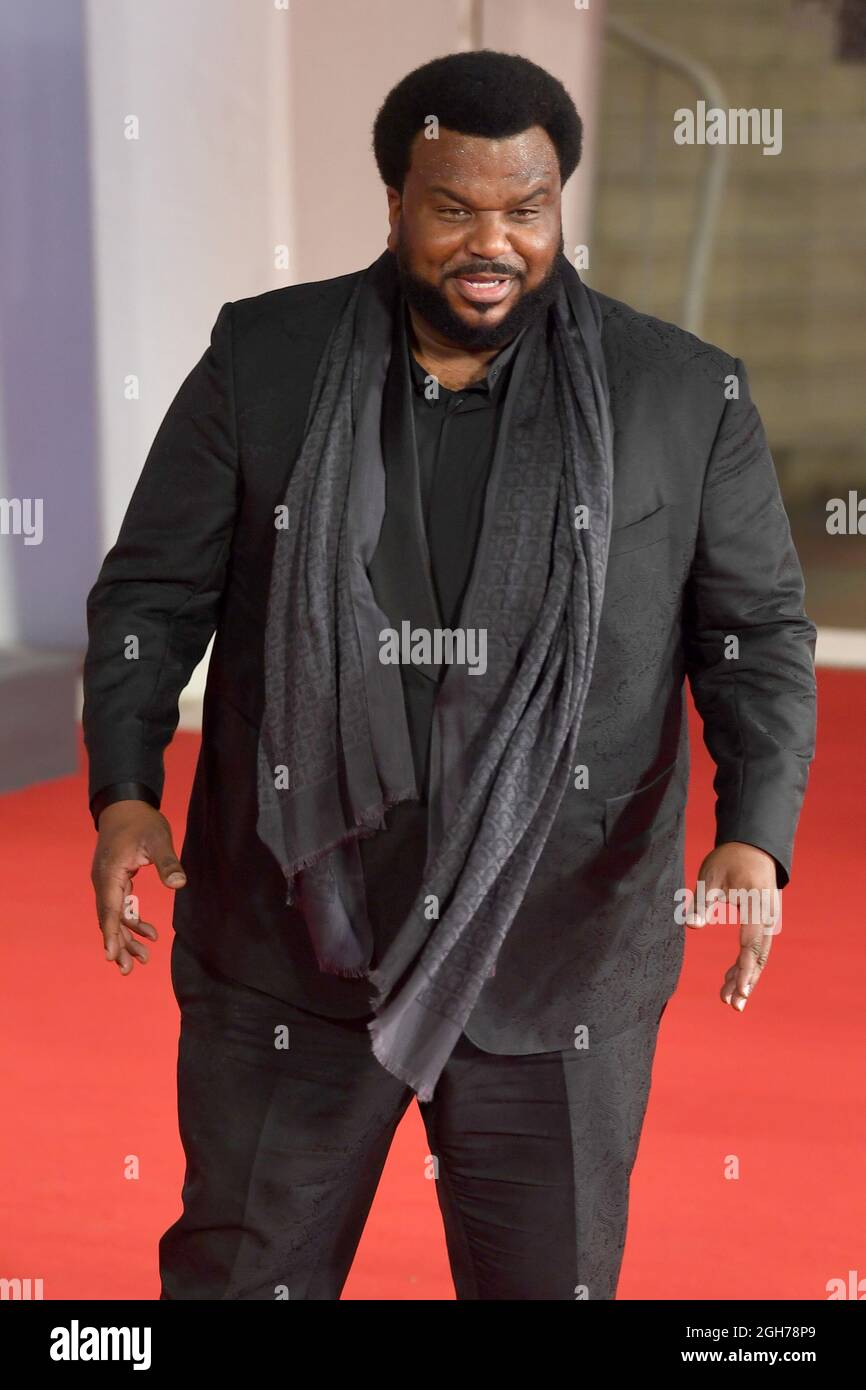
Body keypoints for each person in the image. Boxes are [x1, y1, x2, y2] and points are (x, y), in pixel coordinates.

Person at [83, 50, 817, 1300]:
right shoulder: (265, 360)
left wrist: (753, 830)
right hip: (298, 942)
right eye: (453, 208)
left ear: (557, 206)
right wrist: (122, 786)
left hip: (557, 952)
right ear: (394, 203)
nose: (492, 241)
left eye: (524, 210)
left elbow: (753, 629)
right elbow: (153, 593)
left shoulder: (680, 395)